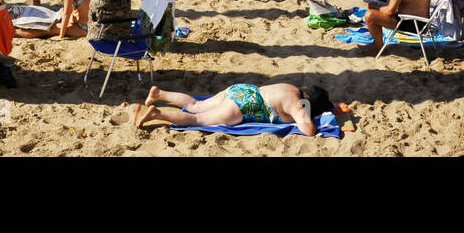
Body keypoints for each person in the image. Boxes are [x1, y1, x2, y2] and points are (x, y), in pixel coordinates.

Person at [132, 81, 330, 136]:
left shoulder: (291, 88)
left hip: (241, 90)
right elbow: (309, 130)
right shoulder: (298, 104)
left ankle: (160, 94)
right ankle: (158, 114)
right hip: (245, 106)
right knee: (196, 120)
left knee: (196, 105)